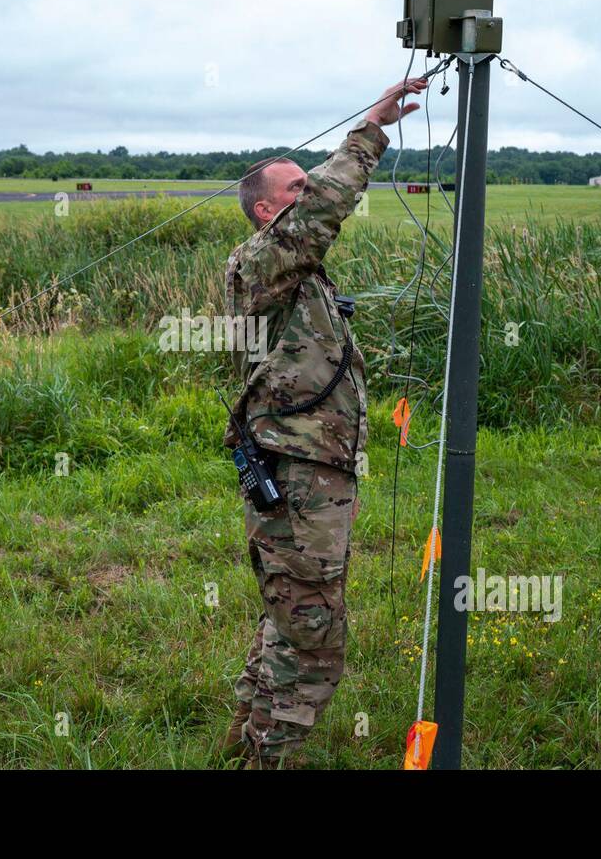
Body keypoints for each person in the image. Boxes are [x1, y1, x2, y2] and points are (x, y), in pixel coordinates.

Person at [220, 77, 428, 769]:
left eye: (309, 183)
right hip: (298, 473)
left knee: (292, 615)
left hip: (310, 471)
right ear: (262, 211)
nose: (307, 194)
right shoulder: (265, 261)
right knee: (315, 639)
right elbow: (325, 212)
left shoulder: (298, 274)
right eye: (294, 188)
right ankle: (266, 759)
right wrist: (371, 129)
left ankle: (242, 746)